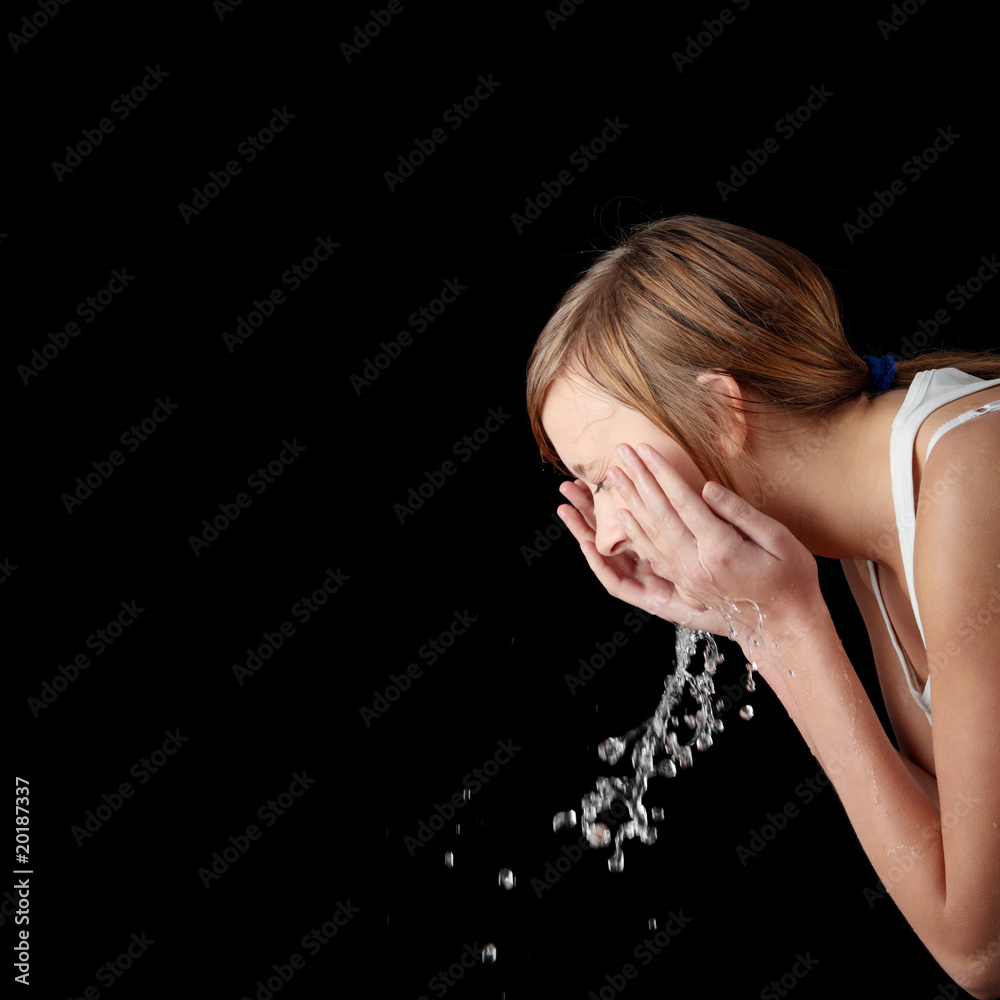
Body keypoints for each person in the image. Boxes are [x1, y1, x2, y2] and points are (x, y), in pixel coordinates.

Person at [526, 214, 1000, 999]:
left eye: (606, 479)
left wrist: (784, 631)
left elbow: (982, 950)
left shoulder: (971, 478)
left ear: (720, 412)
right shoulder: (869, 525)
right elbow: (955, 836)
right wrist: (753, 619)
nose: (602, 534)